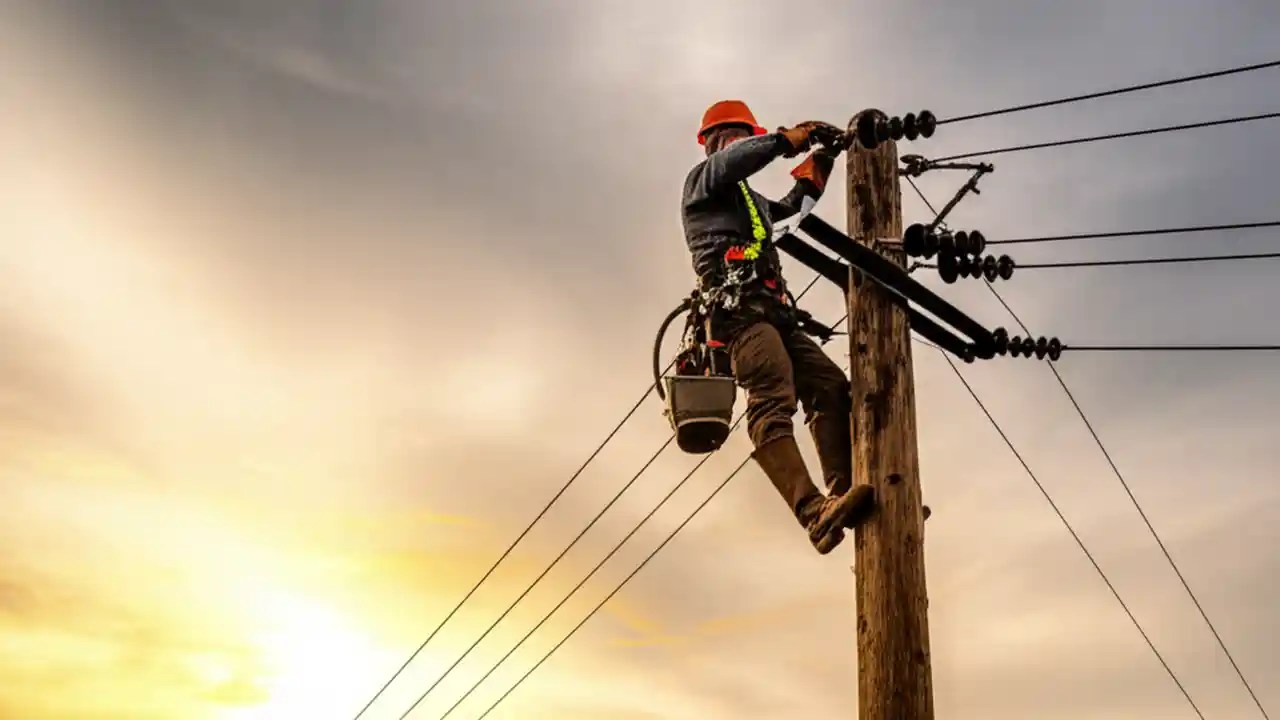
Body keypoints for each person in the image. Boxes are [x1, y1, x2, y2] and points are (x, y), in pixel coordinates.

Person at [679, 99, 875, 555]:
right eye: (732, 136)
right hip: (739, 314)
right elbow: (737, 160)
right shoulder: (703, 181)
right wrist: (789, 139)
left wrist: (821, 158)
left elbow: (793, 204)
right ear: (712, 142)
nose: (738, 143)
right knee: (772, 395)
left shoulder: (749, 200)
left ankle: (842, 491)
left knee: (829, 384)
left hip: (778, 312)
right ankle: (812, 512)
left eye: (744, 135)